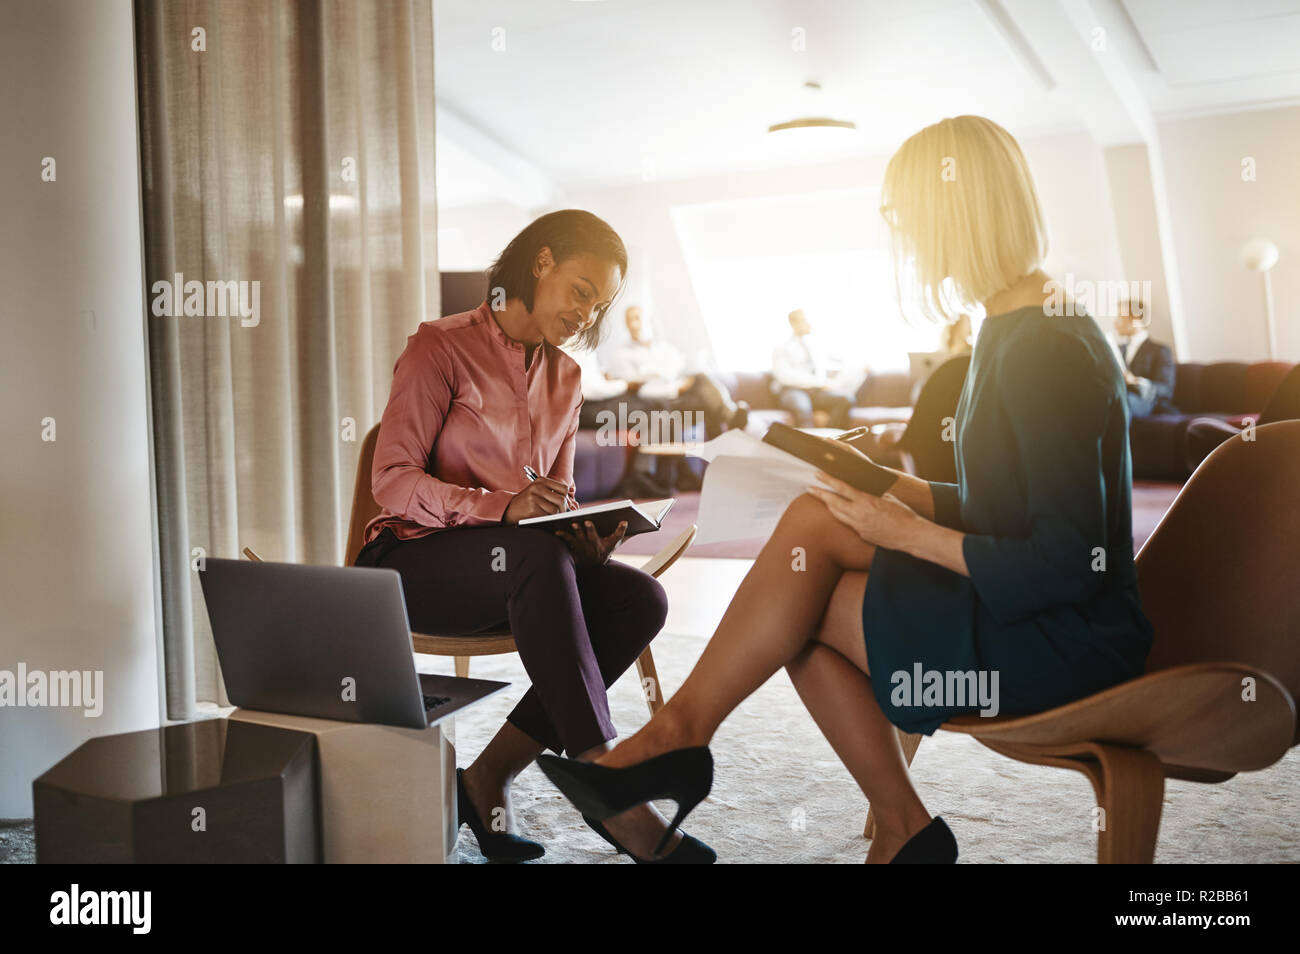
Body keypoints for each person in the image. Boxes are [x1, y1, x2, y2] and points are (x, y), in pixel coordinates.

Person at [538, 116, 1155, 864]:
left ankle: (685, 750)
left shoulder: (1047, 346)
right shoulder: (1007, 325)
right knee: (807, 554)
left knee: (799, 595)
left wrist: (904, 533)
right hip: (1029, 611)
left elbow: (1066, 557)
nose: (909, 244)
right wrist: (885, 484)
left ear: (956, 217)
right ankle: (881, 823)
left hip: (1068, 641)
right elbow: (1006, 501)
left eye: (911, 223)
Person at [352, 210, 715, 864]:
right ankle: (607, 778)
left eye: (598, 305)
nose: (586, 315)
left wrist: (581, 537)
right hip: (409, 562)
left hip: (522, 563)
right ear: (541, 263)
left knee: (640, 599)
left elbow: (557, 494)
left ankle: (487, 777)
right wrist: (502, 509)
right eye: (581, 292)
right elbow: (392, 481)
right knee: (529, 546)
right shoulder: (440, 347)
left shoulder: (568, 380)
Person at [772, 308, 855, 428]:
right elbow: (784, 377)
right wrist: (819, 383)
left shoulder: (815, 346)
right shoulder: (782, 348)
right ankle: (809, 445)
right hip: (792, 391)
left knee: (846, 399)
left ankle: (829, 440)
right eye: (804, 320)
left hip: (815, 392)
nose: (809, 324)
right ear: (793, 324)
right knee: (803, 408)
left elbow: (833, 362)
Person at [1108, 298, 1175, 418]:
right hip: (1122, 397)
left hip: (1146, 402)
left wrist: (1136, 381)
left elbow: (1166, 390)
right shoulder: (1117, 350)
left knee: (1122, 402)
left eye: (1120, 317)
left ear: (1136, 319)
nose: (1115, 323)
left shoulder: (1160, 350)